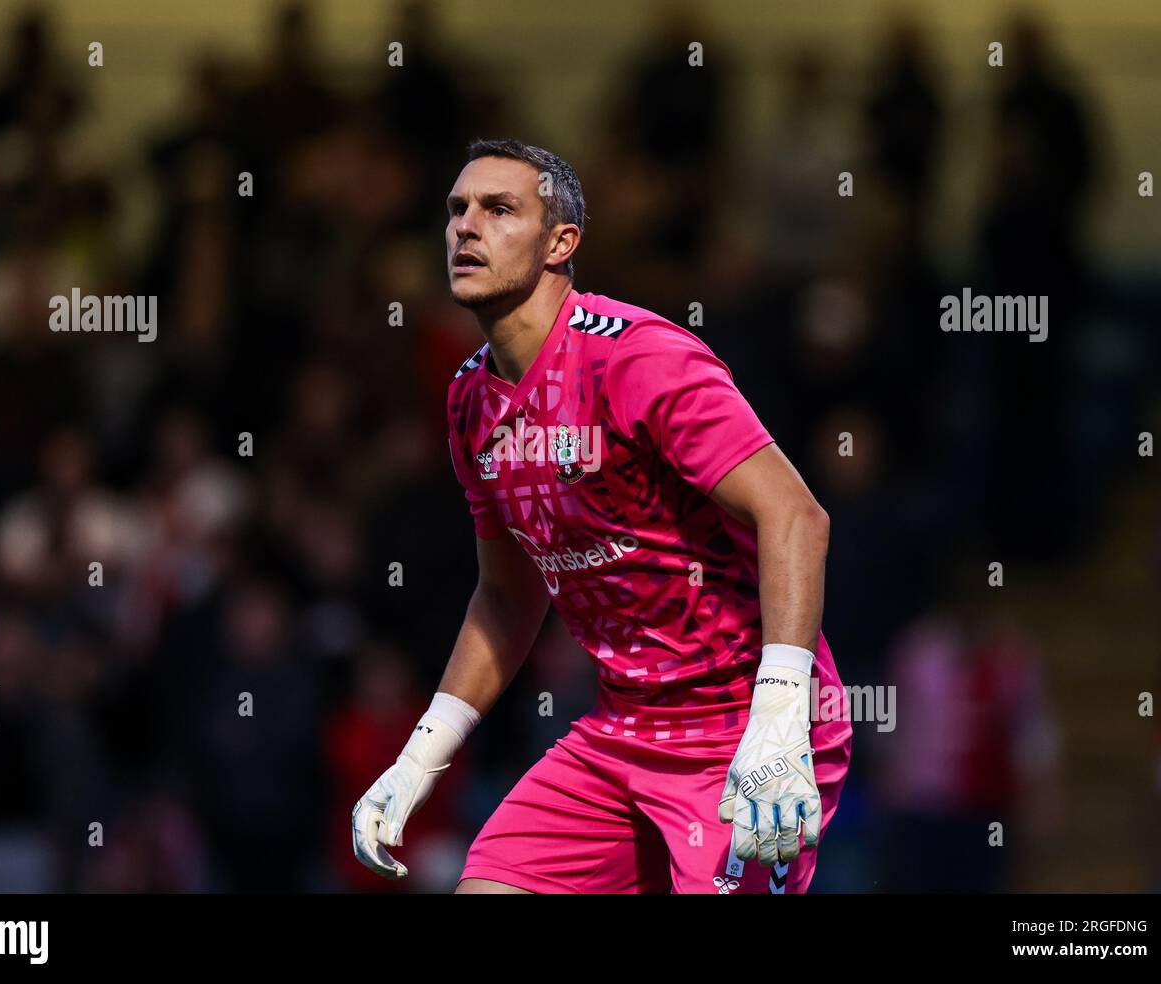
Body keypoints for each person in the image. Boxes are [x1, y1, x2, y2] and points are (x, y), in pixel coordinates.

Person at [352, 138, 851, 893]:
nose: (464, 227)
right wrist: (423, 751)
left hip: (744, 729)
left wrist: (779, 717)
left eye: (498, 209)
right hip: (619, 734)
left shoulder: (638, 359)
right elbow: (507, 595)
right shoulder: (468, 402)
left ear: (562, 242)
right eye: (457, 209)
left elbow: (796, 516)